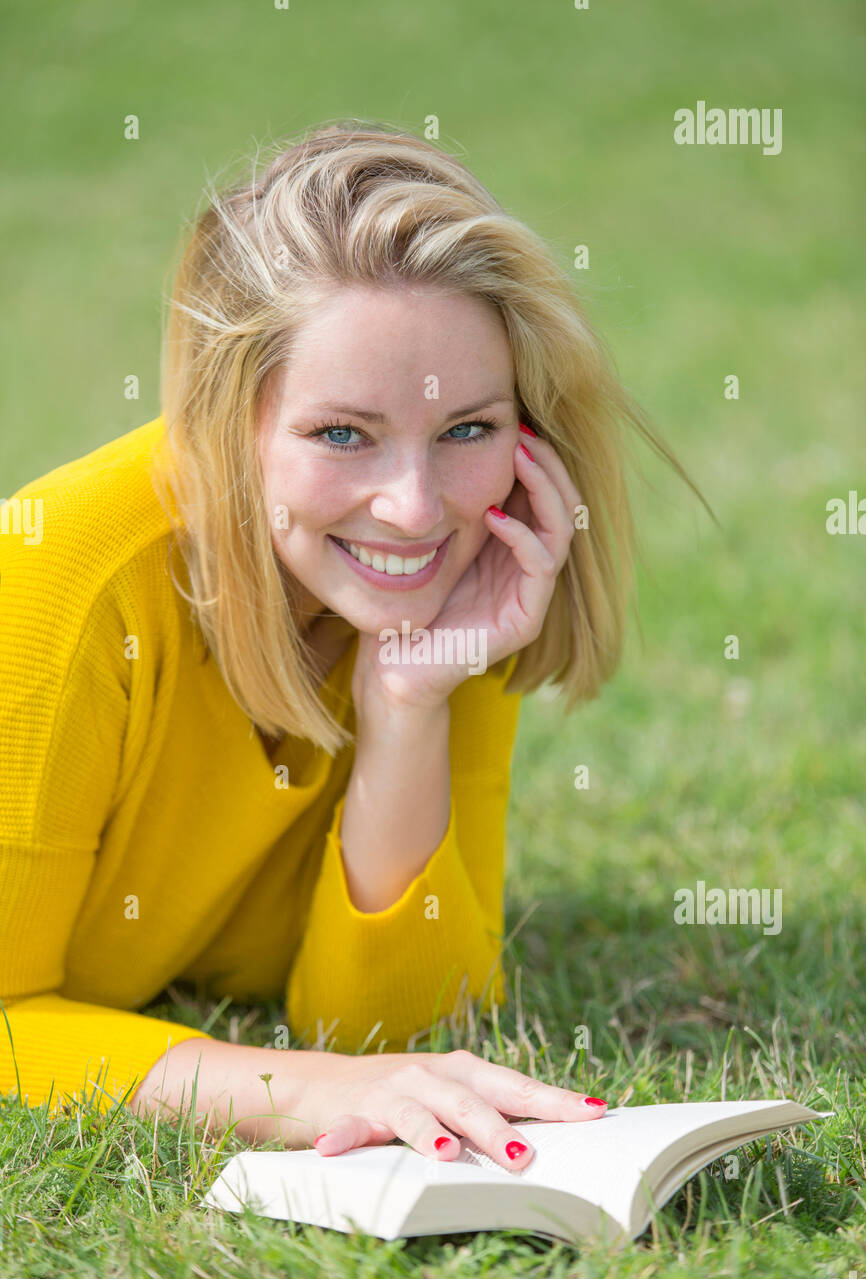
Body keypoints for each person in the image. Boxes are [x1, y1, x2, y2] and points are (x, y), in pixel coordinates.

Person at [0, 119, 699, 1170]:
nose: (415, 511)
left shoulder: (461, 565)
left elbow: (394, 1023)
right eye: (341, 434)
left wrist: (410, 702)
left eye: (467, 428)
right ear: (224, 422)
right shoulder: (54, 580)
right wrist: (309, 1092)